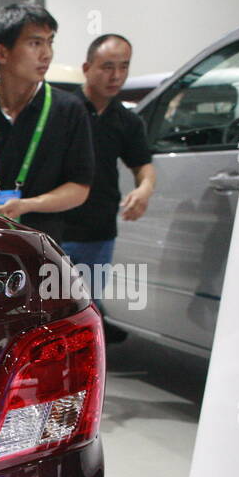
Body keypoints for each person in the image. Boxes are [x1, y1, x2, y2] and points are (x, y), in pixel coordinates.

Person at [0, 3, 94, 241]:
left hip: (42, 247)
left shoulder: (69, 111)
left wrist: (27, 205)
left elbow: (79, 187)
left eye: (50, 42)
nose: (47, 54)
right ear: (2, 53)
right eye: (35, 43)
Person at [61, 34, 156, 341]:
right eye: (107, 67)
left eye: (123, 67)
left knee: (84, 306)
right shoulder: (60, 110)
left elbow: (143, 165)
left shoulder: (127, 121)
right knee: (44, 306)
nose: (116, 76)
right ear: (87, 67)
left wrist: (144, 189)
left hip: (97, 231)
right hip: (53, 226)